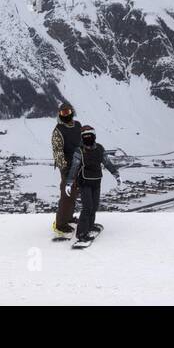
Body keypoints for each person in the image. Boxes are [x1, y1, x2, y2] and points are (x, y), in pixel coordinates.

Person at [64, 125, 122, 243]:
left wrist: (115, 174)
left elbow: (106, 162)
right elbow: (74, 167)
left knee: (94, 207)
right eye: (85, 136)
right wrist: (69, 182)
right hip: (85, 183)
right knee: (87, 207)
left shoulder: (100, 148)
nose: (88, 138)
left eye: (90, 136)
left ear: (94, 136)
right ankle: (81, 233)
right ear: (82, 137)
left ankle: (89, 226)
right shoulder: (79, 150)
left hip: (96, 181)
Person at [50, 103, 83, 236]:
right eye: (63, 113)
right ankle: (60, 224)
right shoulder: (58, 131)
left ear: (72, 112)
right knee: (67, 194)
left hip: (79, 163)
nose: (66, 114)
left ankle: (68, 217)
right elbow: (57, 151)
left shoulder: (78, 125)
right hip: (67, 166)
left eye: (67, 111)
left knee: (74, 193)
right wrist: (64, 169)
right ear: (59, 114)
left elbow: (82, 143)